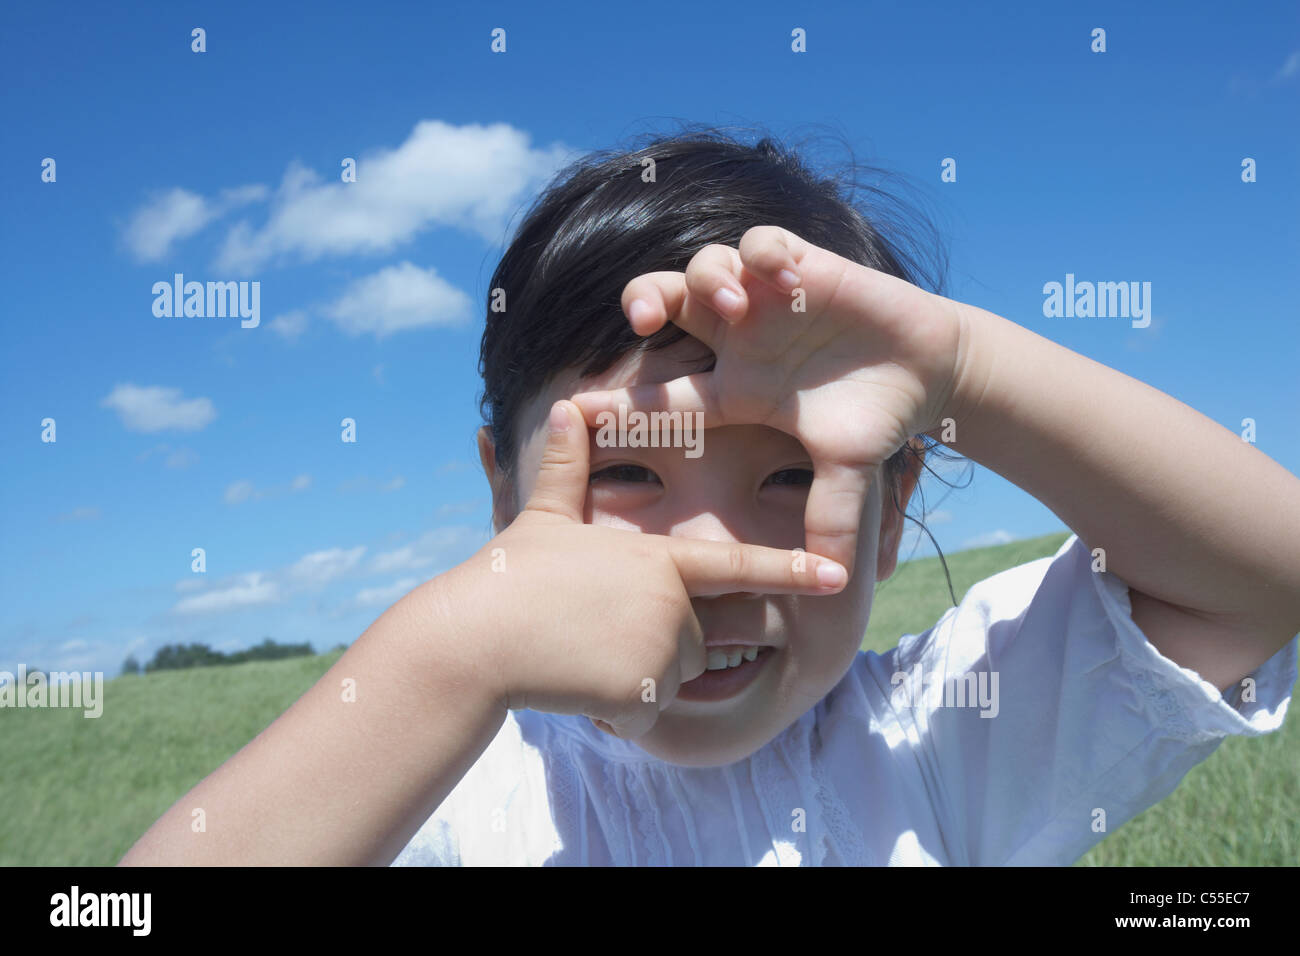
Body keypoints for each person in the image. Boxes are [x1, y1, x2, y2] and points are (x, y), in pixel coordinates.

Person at [120, 128, 1299, 866]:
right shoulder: (448, 793)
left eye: (792, 474)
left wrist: (963, 374)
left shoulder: (934, 735)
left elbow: (1258, 579)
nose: (709, 552)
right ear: (500, 493)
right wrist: (451, 653)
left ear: (891, 513)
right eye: (627, 468)